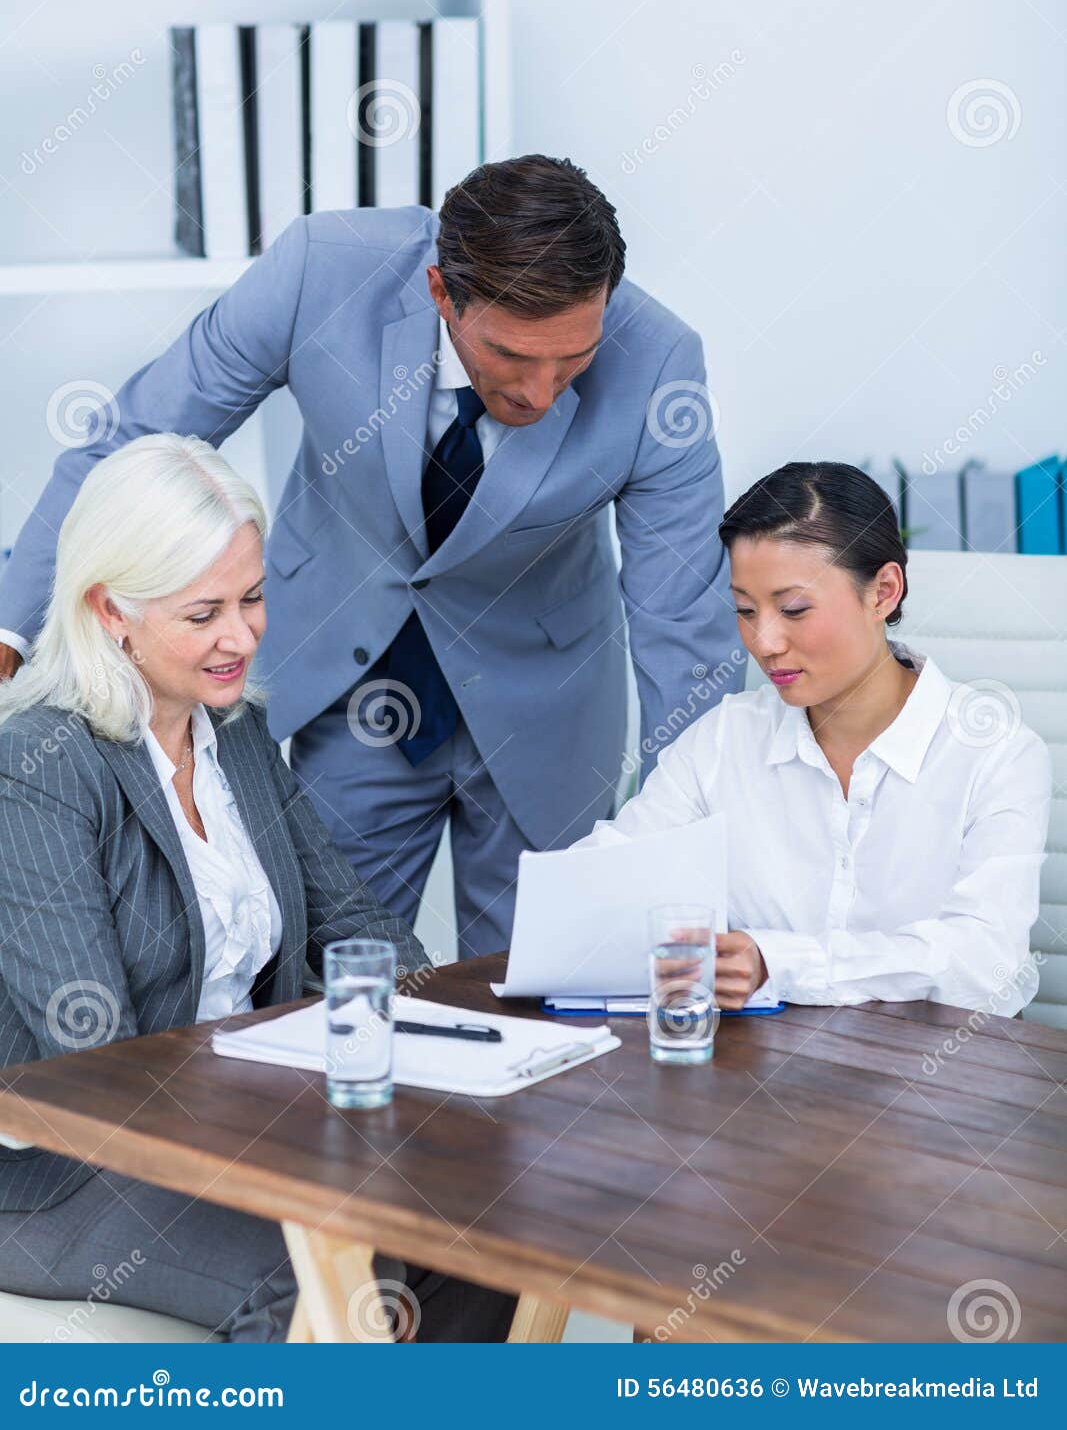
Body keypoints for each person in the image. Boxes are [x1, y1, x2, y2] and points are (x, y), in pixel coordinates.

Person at [0, 155, 740, 958]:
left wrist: (691, 851)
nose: (540, 392)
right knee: (327, 984)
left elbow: (684, 618)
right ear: (439, 294)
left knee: (547, 996)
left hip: (546, 710)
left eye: (572, 360)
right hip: (351, 687)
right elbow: (127, 446)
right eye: (511, 357)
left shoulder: (659, 359)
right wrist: (11, 634)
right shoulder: (324, 271)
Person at [0, 435, 515, 1342]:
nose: (241, 635)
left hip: (233, 1130)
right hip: (68, 1167)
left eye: (253, 598)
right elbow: (97, 1055)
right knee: (340, 1271)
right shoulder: (40, 763)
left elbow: (349, 919)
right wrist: (287, 1122)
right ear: (108, 611)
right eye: (204, 613)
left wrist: (457, 1040)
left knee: (482, 1221)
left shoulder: (235, 733)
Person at [574, 462, 1051, 1016]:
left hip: (935, 1083)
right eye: (745, 611)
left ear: (884, 593)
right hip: (757, 1080)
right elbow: (609, 876)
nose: (765, 641)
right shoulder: (726, 738)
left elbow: (985, 968)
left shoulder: (995, 752)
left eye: (794, 609)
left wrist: (781, 963)